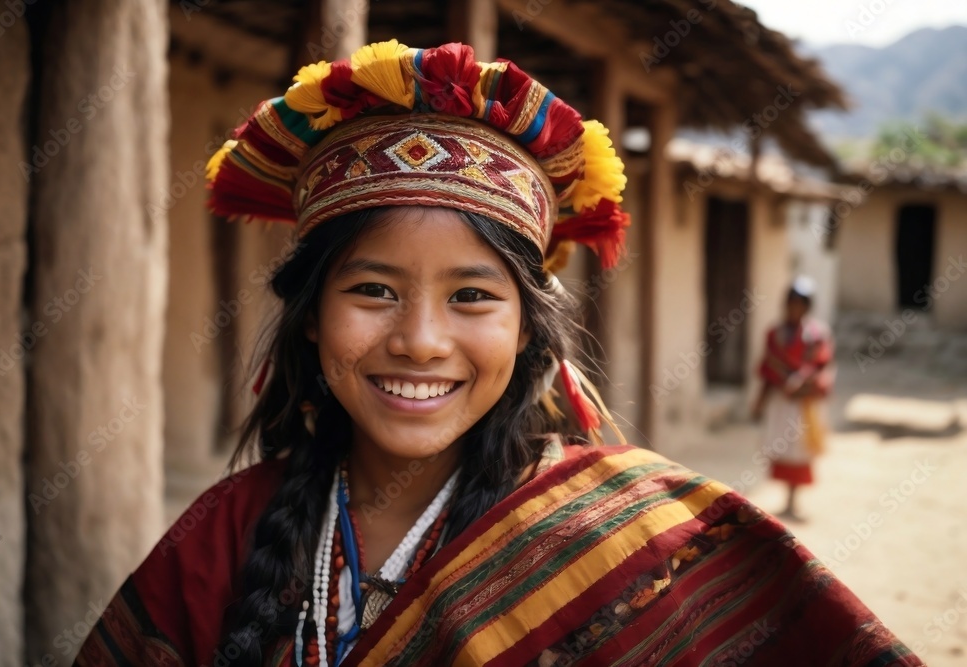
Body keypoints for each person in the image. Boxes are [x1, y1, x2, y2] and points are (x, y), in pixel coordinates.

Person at [75, 42, 919, 666]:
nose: (420, 339)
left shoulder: (638, 543)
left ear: (527, 330)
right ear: (308, 317)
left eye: (472, 296)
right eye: (372, 291)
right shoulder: (220, 536)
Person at [752, 277, 834, 520]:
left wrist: (803, 383)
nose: (795, 308)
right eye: (792, 303)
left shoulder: (818, 335)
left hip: (804, 404)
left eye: (800, 304)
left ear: (808, 307)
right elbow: (768, 369)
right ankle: (786, 498)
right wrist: (760, 402)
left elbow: (822, 367)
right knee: (782, 447)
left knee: (801, 449)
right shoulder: (774, 334)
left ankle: (793, 499)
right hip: (781, 402)